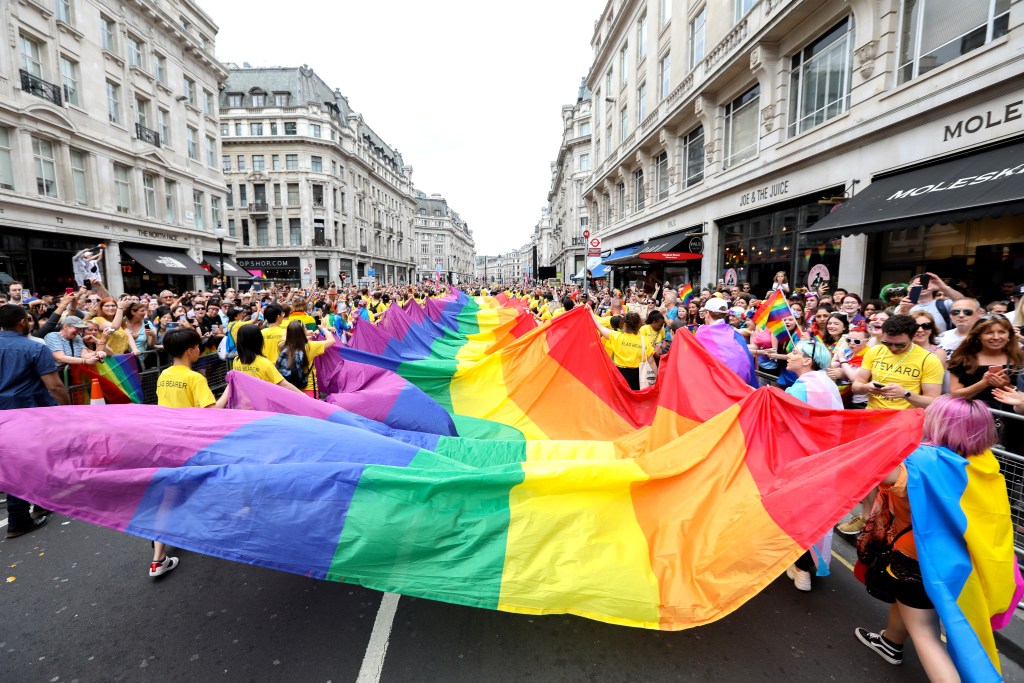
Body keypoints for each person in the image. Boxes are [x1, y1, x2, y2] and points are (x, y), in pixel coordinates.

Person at [855, 396, 1003, 682]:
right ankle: (890, 643)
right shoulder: (983, 465)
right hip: (959, 563)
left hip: (916, 562)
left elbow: (872, 466)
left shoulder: (920, 462)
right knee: (912, 609)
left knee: (925, 633)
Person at [152, 327, 229, 577]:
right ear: (190, 350)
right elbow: (211, 414)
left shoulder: (164, 374)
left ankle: (158, 557)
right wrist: (229, 389)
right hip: (191, 442)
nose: (200, 350)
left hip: (166, 439)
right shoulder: (195, 378)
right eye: (198, 346)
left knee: (171, 492)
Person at [0, 305, 71, 538]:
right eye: (28, 319)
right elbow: (55, 385)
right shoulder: (33, 348)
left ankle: (38, 503)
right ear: (22, 322)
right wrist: (68, 410)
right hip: (27, 413)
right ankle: (19, 518)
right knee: (24, 462)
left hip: (8, 413)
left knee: (12, 462)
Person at [782, 339, 843, 591]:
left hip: (801, 459)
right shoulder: (828, 383)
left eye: (794, 352)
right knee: (815, 512)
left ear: (807, 360)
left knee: (796, 512)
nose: (789, 355)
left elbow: (782, 421)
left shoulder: (801, 387)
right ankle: (807, 564)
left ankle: (801, 567)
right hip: (826, 458)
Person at [853, 314, 943, 410]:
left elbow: (932, 402)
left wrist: (905, 394)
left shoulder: (929, 360)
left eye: (900, 345)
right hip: (873, 414)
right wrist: (866, 388)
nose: (893, 348)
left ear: (912, 337)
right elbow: (856, 386)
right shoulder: (875, 351)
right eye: (887, 343)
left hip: (903, 418)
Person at [232, 325, 304, 393]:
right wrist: (304, 396)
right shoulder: (263, 363)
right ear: (259, 341)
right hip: (261, 402)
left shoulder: (236, 361)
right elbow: (283, 384)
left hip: (243, 401)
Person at [276, 319, 335, 398]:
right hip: (309, 389)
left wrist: (304, 332)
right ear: (303, 331)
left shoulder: (282, 345)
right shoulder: (310, 346)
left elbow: (287, 334)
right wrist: (324, 328)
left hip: (290, 389)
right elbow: (332, 341)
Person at [592, 311, 650, 390]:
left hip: (619, 374)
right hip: (638, 375)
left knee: (619, 397)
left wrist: (590, 311)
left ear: (624, 325)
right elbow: (652, 361)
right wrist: (656, 378)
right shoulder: (645, 340)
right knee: (634, 397)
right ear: (639, 325)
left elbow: (599, 327)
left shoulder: (616, 336)